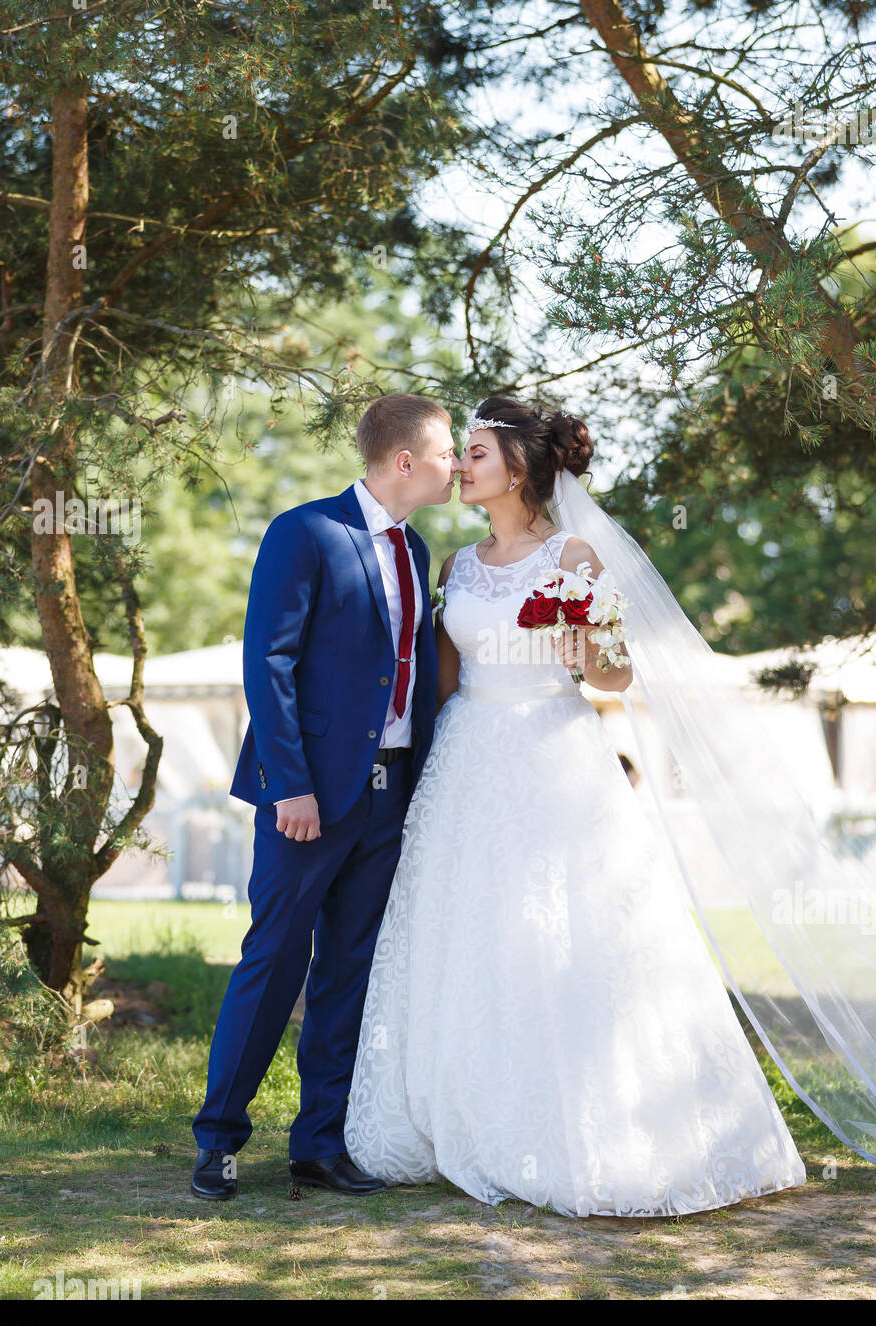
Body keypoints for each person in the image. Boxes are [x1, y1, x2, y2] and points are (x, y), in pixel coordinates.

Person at [343, 398, 809, 1216]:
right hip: (466, 756)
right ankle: (467, 1121)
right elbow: (442, 678)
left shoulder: (575, 555)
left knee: (565, 927)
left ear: (517, 470)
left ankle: (589, 1126)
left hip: (553, 753)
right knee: (466, 933)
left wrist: (586, 646)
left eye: (476, 453)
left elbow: (617, 677)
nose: (460, 467)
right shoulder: (454, 563)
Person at [190, 392, 457, 1200]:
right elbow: (266, 664)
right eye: (449, 450)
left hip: (391, 793)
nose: (457, 463)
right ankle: (219, 1142)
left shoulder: (417, 549)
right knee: (274, 962)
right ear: (405, 461)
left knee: (350, 969)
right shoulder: (304, 532)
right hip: (306, 800)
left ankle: (320, 1143)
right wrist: (290, 785)